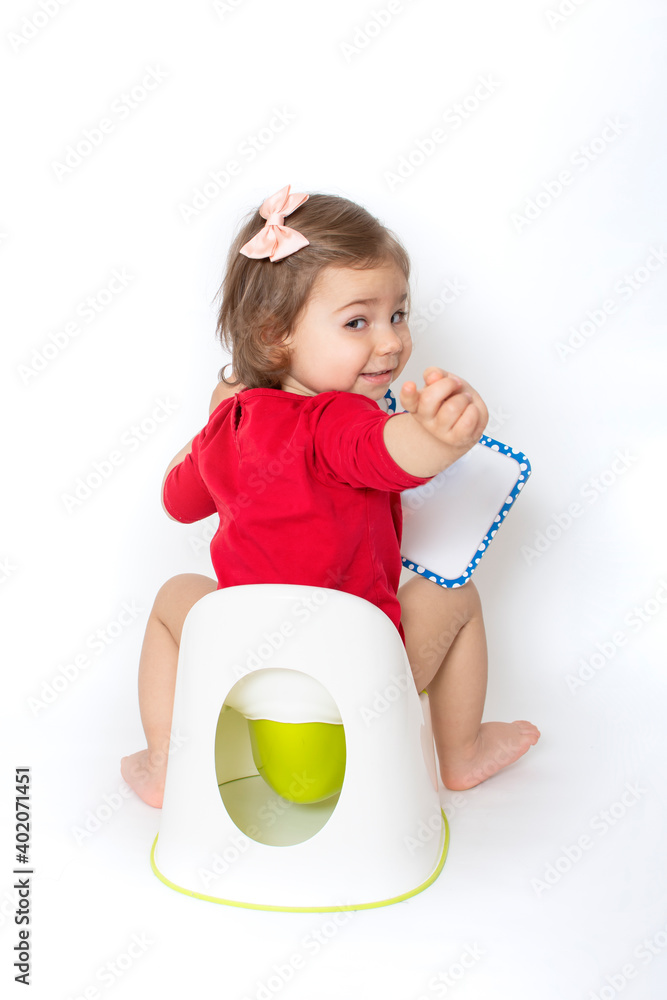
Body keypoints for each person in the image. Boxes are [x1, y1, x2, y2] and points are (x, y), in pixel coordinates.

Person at [121, 183, 540, 808]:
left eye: (398, 314)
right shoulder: (338, 419)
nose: (391, 341)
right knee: (455, 594)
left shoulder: (230, 426)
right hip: (357, 697)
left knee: (174, 596)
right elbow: (388, 451)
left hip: (247, 688)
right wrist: (436, 437)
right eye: (358, 322)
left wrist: (212, 426)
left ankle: (163, 762)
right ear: (275, 336)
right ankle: (463, 751)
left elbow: (177, 502)